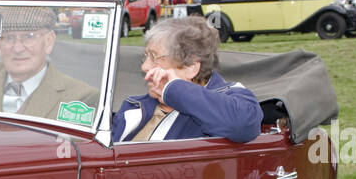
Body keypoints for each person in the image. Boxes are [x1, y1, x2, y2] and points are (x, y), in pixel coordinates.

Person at [112, 16, 262, 143]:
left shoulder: (227, 100)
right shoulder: (135, 105)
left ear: (190, 67)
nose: (145, 66)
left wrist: (174, 89)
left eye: (153, 57)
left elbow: (244, 125)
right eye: (146, 56)